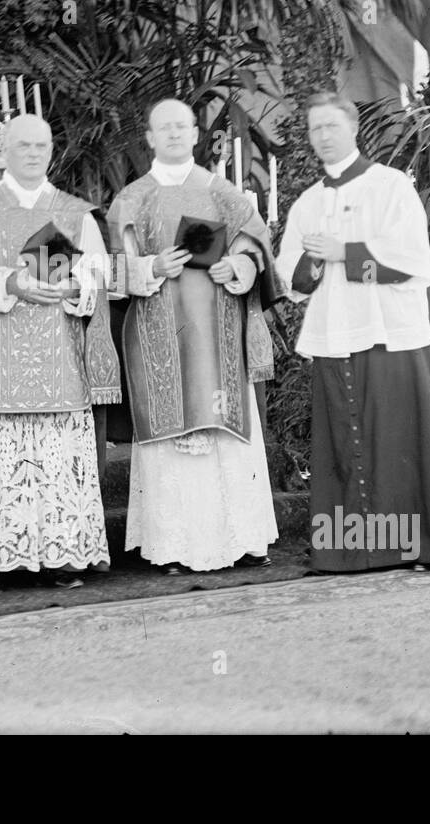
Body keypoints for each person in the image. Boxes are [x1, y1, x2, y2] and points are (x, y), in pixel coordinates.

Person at [275, 92, 430, 573]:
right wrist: (314, 263)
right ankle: (352, 551)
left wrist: (344, 251)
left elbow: (410, 263)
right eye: (315, 129)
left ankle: (423, 546)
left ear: (353, 128)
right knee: (343, 443)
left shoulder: (390, 186)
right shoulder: (307, 202)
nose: (323, 136)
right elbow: (291, 281)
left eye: (331, 126)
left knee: (400, 441)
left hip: (390, 334)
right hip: (335, 334)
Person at [0, 114, 120, 596]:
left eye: (42, 145)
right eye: (23, 146)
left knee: (53, 461)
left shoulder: (76, 212)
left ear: (51, 151)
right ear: (3, 152)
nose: (34, 153)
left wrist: (74, 286)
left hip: (56, 350)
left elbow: (99, 274)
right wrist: (11, 282)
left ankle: (60, 557)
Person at [107, 99, 281, 574]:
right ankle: (174, 547)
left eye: (182, 126)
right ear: (149, 137)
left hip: (218, 335)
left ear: (193, 132)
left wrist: (239, 266)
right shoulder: (132, 199)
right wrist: (149, 266)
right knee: (172, 433)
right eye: (165, 128)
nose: (175, 135)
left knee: (226, 432)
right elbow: (111, 273)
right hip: (161, 333)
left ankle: (243, 540)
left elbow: (255, 246)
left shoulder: (220, 190)